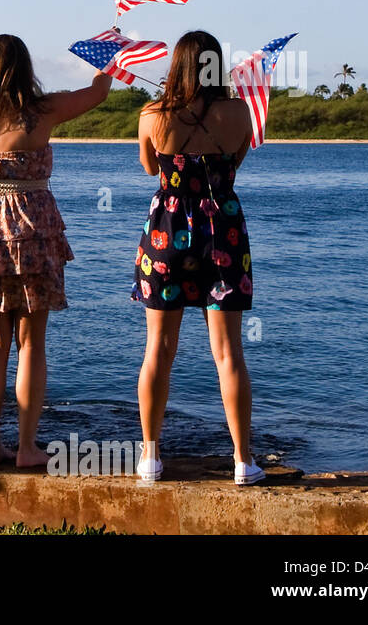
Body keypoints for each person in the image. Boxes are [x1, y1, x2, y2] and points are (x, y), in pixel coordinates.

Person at [0, 23, 111, 468]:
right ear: (25, 70)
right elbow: (99, 91)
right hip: (34, 230)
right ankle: (27, 447)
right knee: (31, 343)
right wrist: (109, 51)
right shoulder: (41, 110)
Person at [131, 30, 264, 485]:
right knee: (229, 353)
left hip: (167, 235)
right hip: (221, 232)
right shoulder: (240, 112)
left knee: (158, 350)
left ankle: (150, 458)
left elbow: (151, 168)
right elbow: (233, 165)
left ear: (176, 67)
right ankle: (243, 461)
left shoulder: (153, 113)